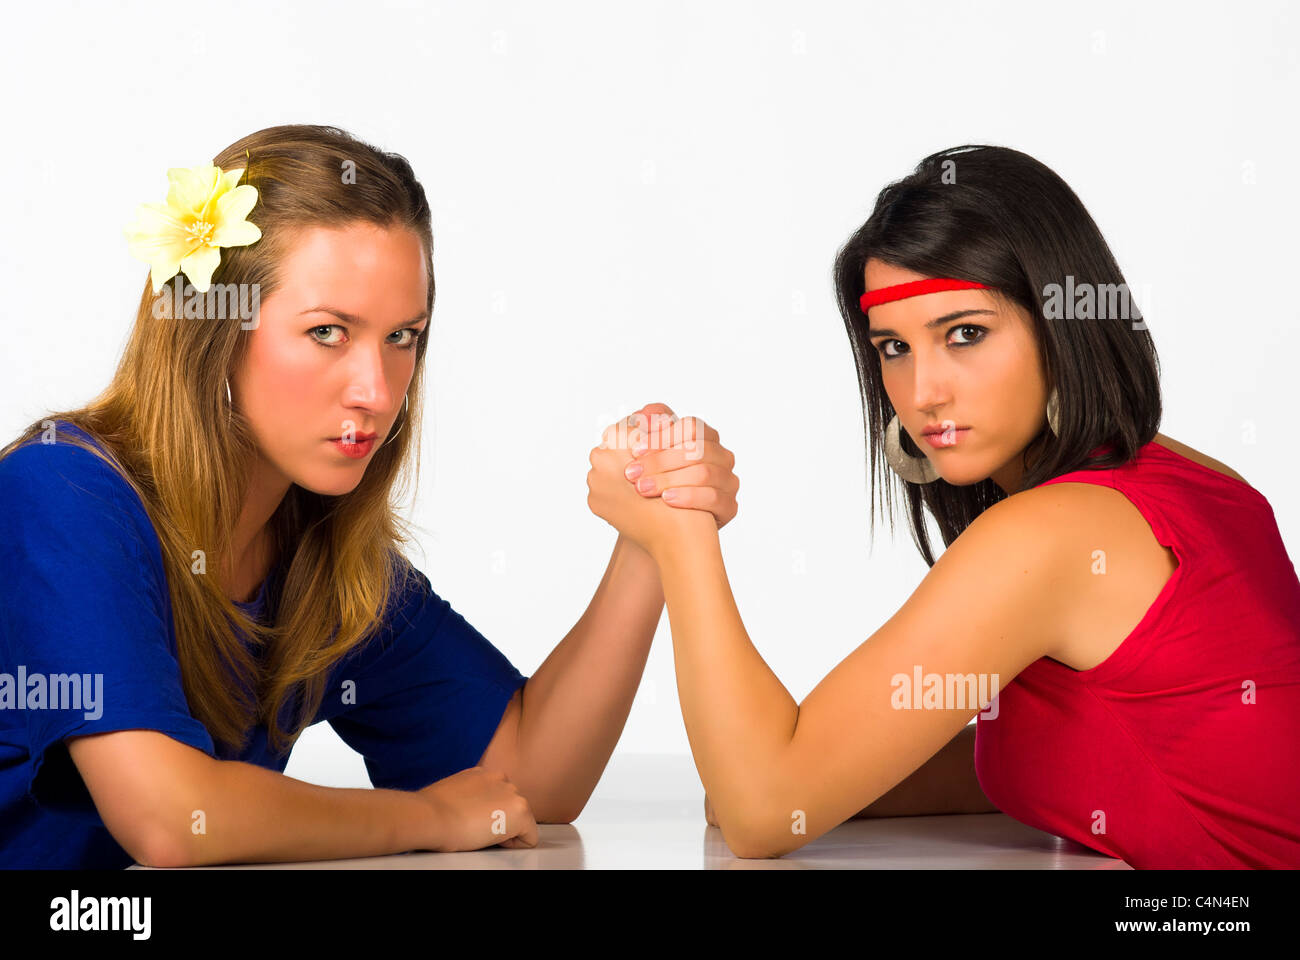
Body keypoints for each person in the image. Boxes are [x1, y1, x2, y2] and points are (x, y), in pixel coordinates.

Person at [0, 123, 738, 869]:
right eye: (327, 332)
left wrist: (655, 532)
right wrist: (421, 818)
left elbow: (525, 780)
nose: (376, 391)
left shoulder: (320, 554)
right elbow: (169, 819)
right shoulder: (59, 493)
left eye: (403, 337)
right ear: (210, 333)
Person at [587, 144, 1300, 868]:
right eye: (893, 346)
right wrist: (796, 769)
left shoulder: (1054, 533)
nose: (924, 391)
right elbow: (1109, 746)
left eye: (966, 335)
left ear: (1063, 326)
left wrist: (679, 530)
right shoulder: (1197, 478)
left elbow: (761, 813)